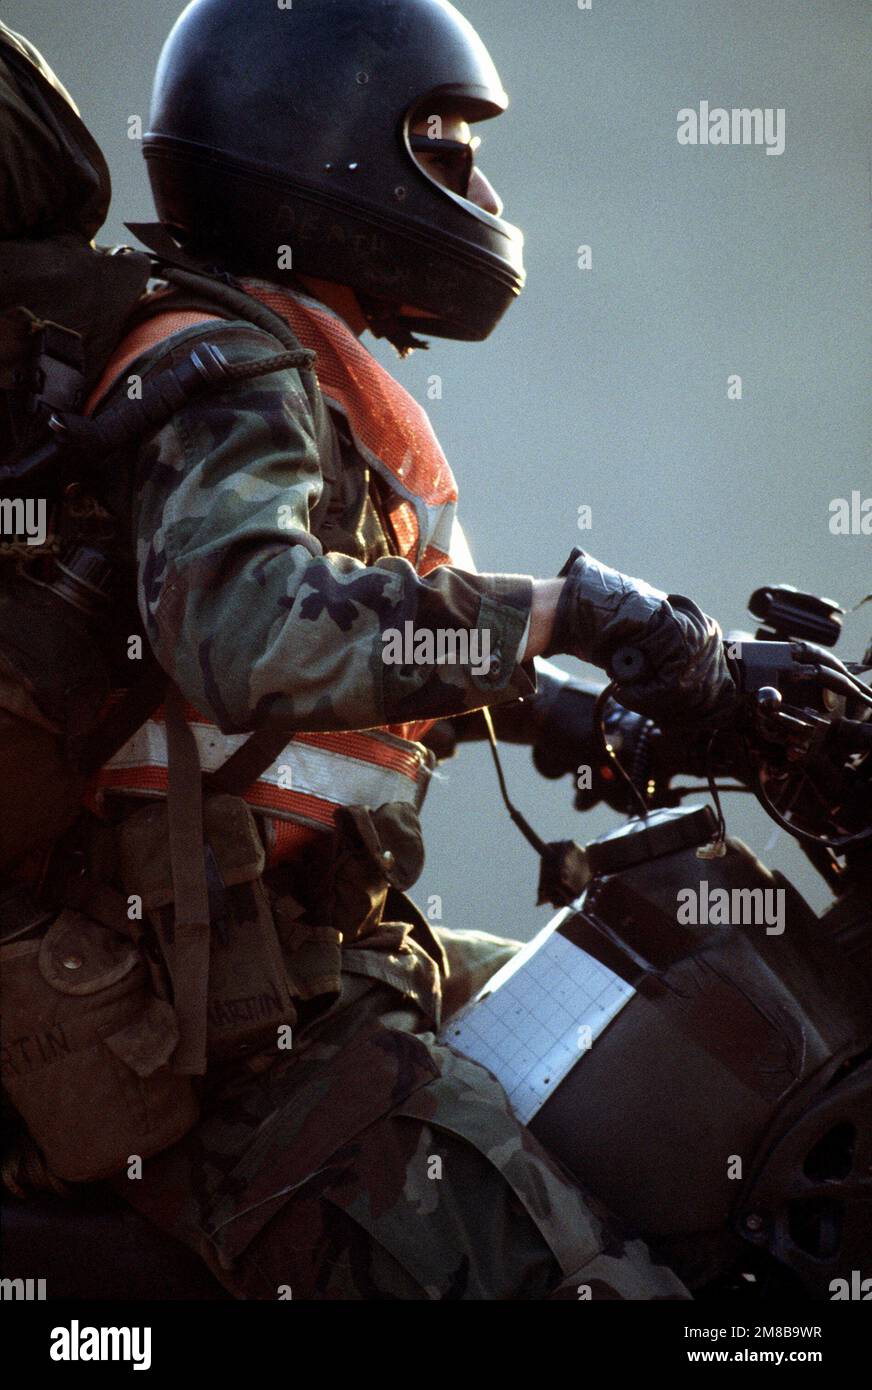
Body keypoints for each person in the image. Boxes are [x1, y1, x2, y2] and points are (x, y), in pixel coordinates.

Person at [11, 0, 734, 1299]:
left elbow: (328, 678)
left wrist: (587, 715)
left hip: (327, 971)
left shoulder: (283, 364)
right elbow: (252, 630)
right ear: (327, 143)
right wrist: (579, 612)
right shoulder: (225, 366)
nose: (481, 188)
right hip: (240, 1049)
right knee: (603, 1289)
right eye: (447, 147)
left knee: (673, 1048)